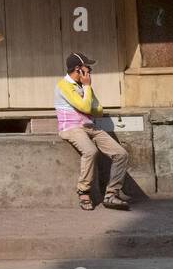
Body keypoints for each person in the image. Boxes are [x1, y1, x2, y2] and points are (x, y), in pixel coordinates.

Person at [56, 52, 131, 211]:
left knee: (121, 153)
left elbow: (99, 110)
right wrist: (87, 88)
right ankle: (84, 191)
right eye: (87, 67)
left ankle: (112, 193)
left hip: (90, 127)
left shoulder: (84, 86)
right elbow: (85, 107)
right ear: (78, 69)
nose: (90, 70)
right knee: (90, 151)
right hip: (71, 127)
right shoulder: (63, 85)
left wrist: (86, 91)